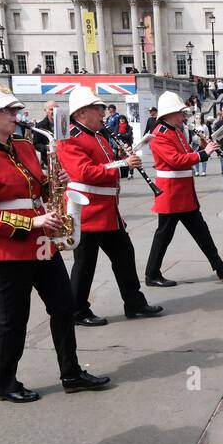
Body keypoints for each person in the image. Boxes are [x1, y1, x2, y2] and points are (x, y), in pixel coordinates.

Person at [0, 79, 111, 403]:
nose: (17, 113)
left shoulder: (24, 145)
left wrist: (53, 182)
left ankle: (71, 372)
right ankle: (4, 384)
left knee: (64, 306)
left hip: (41, 244)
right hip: (6, 252)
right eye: (8, 109)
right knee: (14, 320)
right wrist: (31, 221)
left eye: (15, 108)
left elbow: (34, 188)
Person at [56, 86, 163, 327]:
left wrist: (125, 162)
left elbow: (106, 166)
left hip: (108, 211)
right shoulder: (70, 138)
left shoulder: (99, 135)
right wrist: (121, 163)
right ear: (82, 112)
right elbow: (83, 172)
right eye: (98, 109)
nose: (103, 113)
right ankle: (77, 310)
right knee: (85, 266)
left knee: (125, 257)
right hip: (87, 212)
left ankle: (134, 302)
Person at [142, 91, 223, 286]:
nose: (184, 115)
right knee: (164, 236)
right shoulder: (160, 134)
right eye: (181, 112)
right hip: (171, 193)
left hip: (183, 192)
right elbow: (175, 160)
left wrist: (204, 148)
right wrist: (203, 154)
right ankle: (151, 274)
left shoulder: (176, 130)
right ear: (170, 113)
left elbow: (187, 153)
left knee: (201, 231)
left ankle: (220, 267)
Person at [33, 100, 56, 168]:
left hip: (64, 161)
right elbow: (36, 144)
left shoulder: (66, 123)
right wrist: (48, 148)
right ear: (45, 110)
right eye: (51, 109)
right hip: (49, 162)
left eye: (56, 108)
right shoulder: (40, 126)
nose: (55, 111)